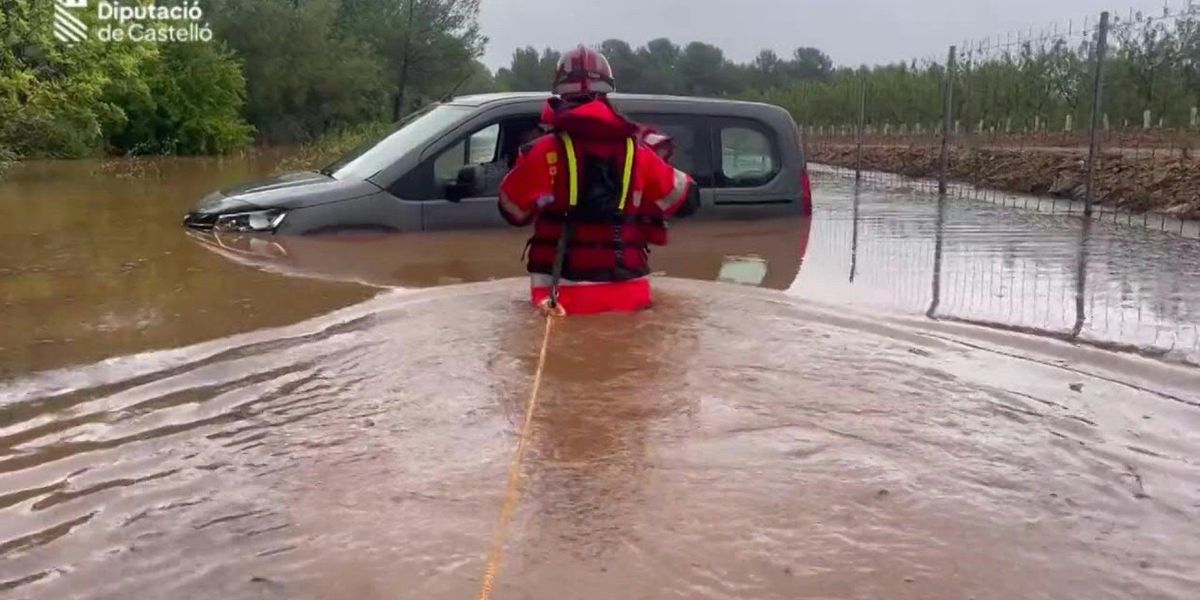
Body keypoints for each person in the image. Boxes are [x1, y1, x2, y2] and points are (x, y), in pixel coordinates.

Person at [498, 45, 694, 316]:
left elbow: (512, 212)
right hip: (629, 290)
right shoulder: (638, 152)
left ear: (560, 93)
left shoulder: (541, 152)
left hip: (560, 295)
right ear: (606, 92)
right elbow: (687, 200)